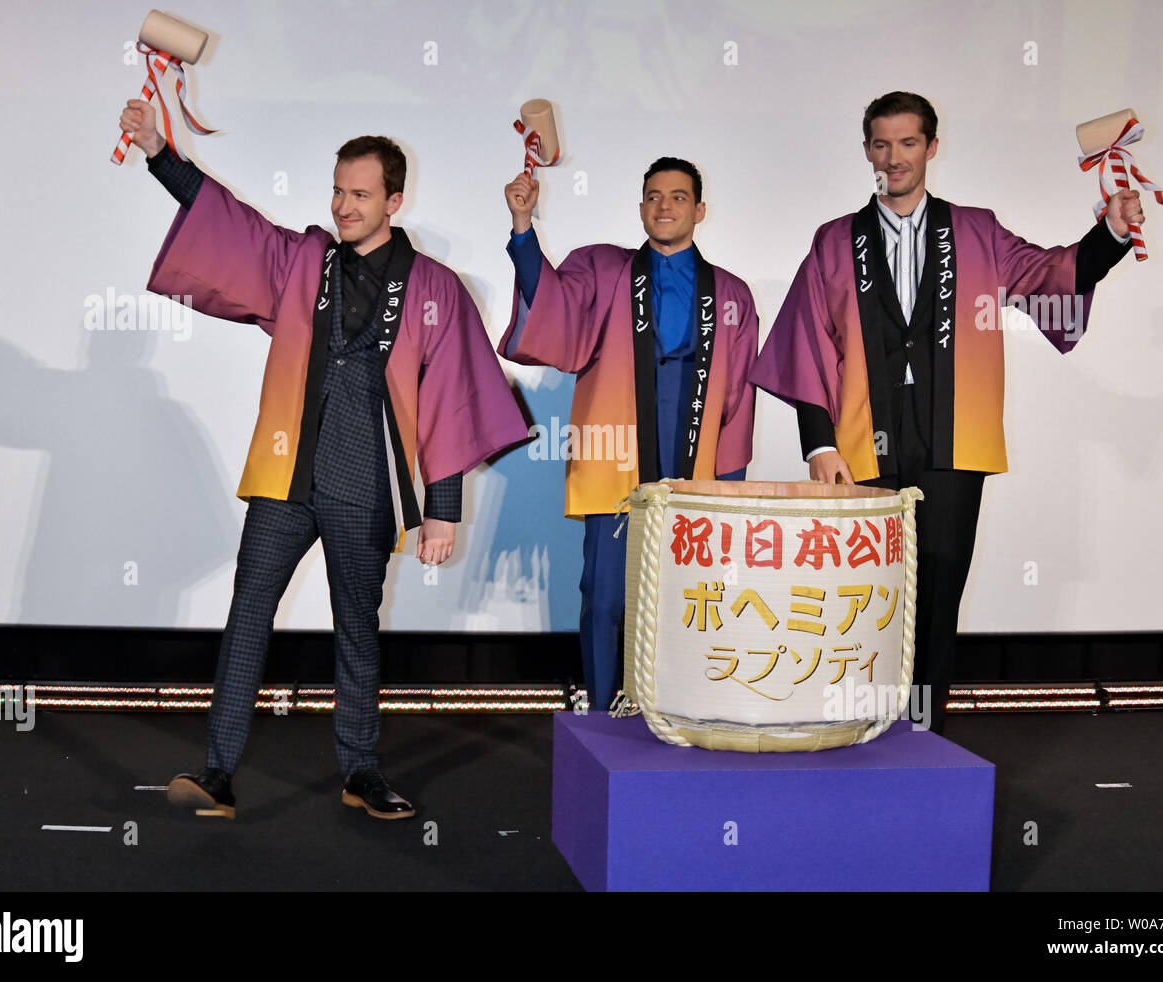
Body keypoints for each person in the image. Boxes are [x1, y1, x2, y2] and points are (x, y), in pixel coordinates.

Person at [117, 99, 528, 818]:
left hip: (367, 487)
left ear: (395, 200)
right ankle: (217, 772)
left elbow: (454, 402)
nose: (342, 205)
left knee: (357, 632)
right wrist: (160, 153)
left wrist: (442, 512)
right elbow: (230, 223)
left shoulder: (434, 289)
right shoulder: (306, 261)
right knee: (248, 615)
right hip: (289, 475)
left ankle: (360, 771)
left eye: (359, 194)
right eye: (337, 190)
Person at [750, 91, 1143, 734]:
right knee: (862, 597)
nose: (894, 157)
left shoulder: (977, 231)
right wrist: (818, 445)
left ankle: (921, 733)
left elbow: (1049, 277)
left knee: (937, 598)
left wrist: (1111, 235)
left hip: (954, 444)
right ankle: (856, 730)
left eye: (908, 143)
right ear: (867, 151)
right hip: (858, 446)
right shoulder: (833, 242)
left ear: (933, 147)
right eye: (881, 144)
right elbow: (806, 343)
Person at [499, 158, 758, 711]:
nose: (665, 207)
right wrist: (524, 228)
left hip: (696, 458)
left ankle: (680, 708)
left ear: (701, 210)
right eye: (654, 197)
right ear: (641, 208)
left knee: (691, 597)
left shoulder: (733, 294)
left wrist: (729, 488)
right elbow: (553, 304)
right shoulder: (602, 270)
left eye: (679, 197)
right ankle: (598, 708)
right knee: (605, 596)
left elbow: (738, 398)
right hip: (617, 451)